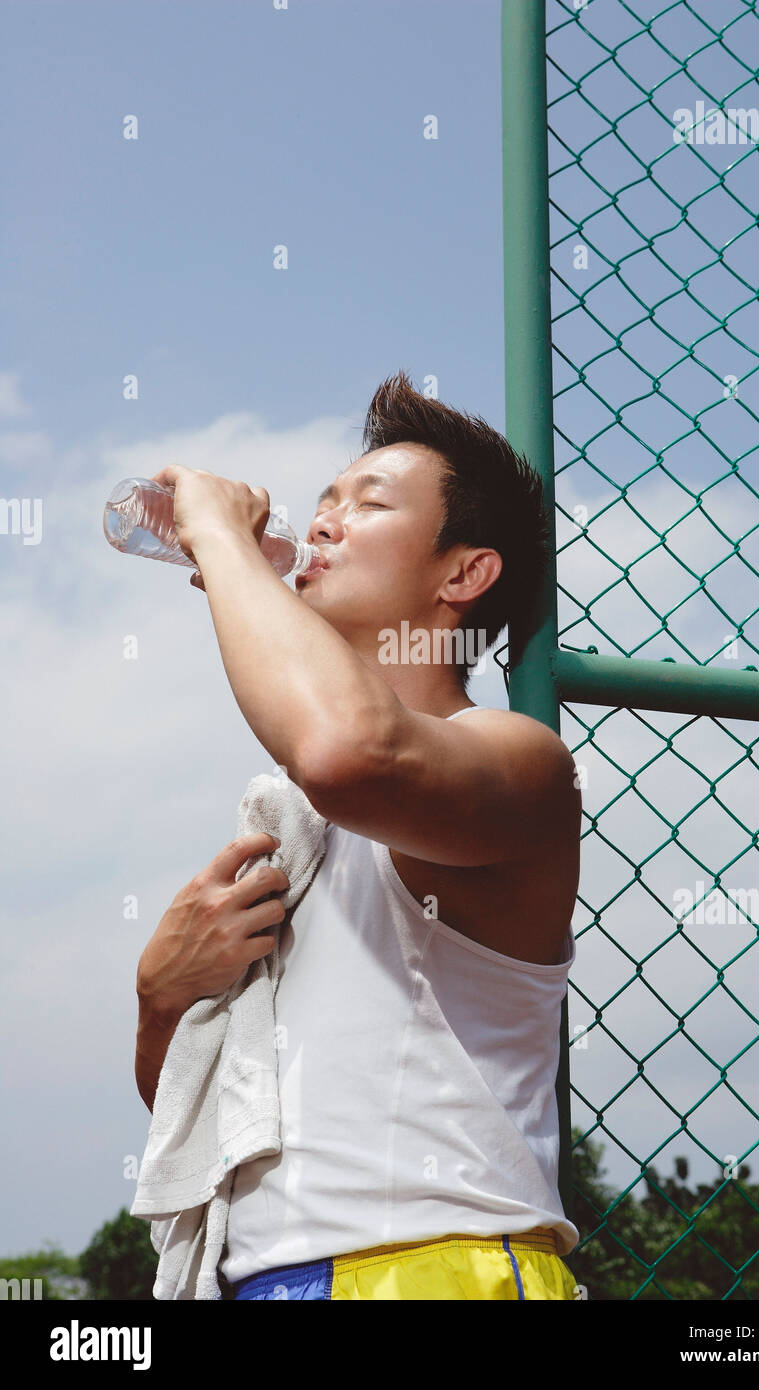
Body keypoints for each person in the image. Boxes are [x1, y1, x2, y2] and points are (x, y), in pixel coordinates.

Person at [134, 369, 582, 1300]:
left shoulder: (514, 760)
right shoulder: (291, 835)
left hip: (435, 1266)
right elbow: (202, 1113)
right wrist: (159, 996)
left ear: (465, 573)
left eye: (367, 504)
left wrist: (217, 535)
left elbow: (347, 751)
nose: (325, 521)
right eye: (325, 501)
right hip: (256, 1277)